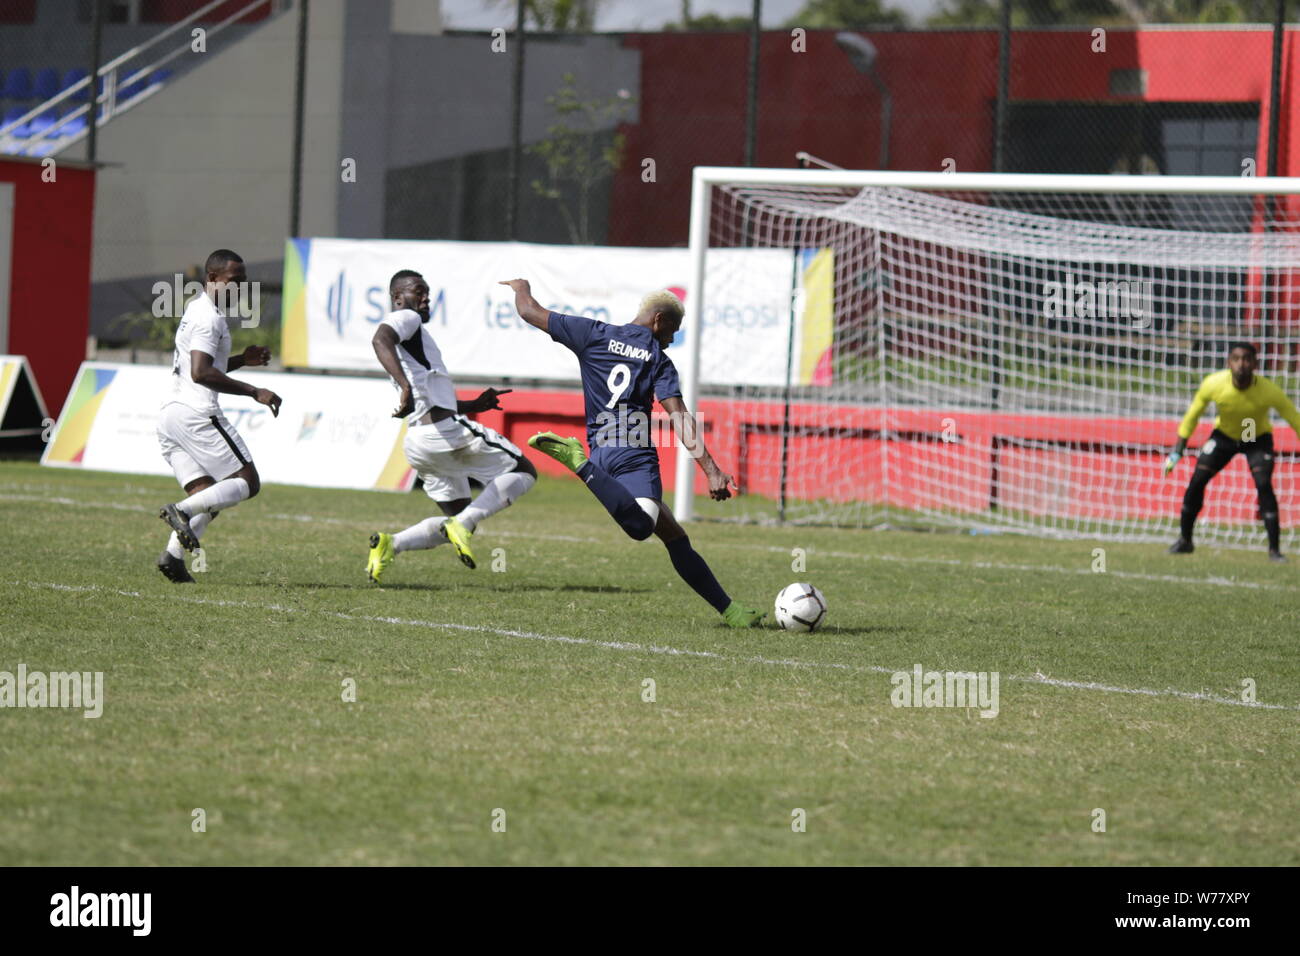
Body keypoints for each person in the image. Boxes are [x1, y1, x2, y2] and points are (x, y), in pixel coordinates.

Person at [499, 278, 763, 628]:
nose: (671, 339)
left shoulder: (592, 332)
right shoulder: (658, 359)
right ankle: (576, 462)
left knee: (674, 536)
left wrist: (521, 286)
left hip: (603, 450)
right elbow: (680, 417)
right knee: (640, 527)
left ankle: (731, 612)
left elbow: (529, 311)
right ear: (658, 320)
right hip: (634, 454)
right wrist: (711, 470)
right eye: (672, 330)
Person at [365, 270, 536, 583]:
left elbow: (428, 398)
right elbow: (380, 338)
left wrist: (473, 406)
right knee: (524, 470)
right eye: (419, 291)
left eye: (428, 292)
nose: (426, 298)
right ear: (399, 298)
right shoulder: (407, 318)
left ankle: (391, 543)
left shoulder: (414, 342)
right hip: (443, 433)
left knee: (459, 518)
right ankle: (461, 525)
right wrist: (403, 385)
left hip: (419, 442)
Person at [156, 249, 281, 582]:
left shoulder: (198, 311)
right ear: (212, 278)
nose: (240, 287)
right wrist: (255, 391)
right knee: (247, 483)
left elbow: (204, 365)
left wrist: (241, 359)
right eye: (234, 281)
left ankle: (172, 557)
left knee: (208, 495)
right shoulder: (209, 318)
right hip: (197, 413)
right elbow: (200, 373)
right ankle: (178, 512)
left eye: (243, 281)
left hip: (170, 416)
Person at [1163, 341, 1300, 562]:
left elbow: (1294, 419)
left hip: (1257, 438)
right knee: (1198, 480)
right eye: (1236, 359)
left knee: (1263, 484)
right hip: (1224, 436)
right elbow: (1192, 416)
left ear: (1255, 363)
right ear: (1229, 362)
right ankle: (1185, 540)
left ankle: (1274, 550)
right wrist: (1177, 451)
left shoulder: (1269, 390)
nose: (1241, 364)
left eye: (1247, 359)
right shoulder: (1214, 384)